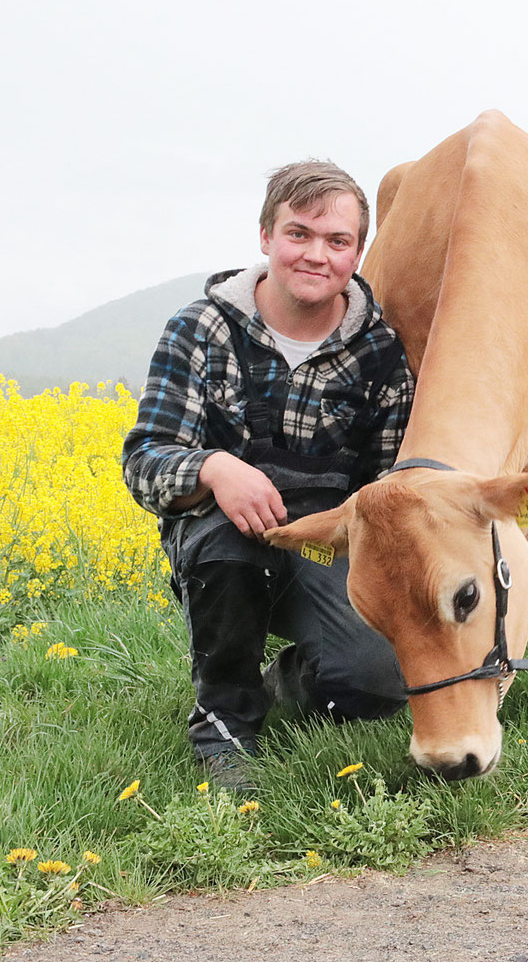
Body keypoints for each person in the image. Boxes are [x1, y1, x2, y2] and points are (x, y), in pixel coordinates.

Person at [122, 160, 414, 787]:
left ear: (358, 253)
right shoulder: (200, 328)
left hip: (326, 546)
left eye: (337, 242)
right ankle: (223, 725)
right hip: (222, 536)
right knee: (229, 547)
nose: (316, 255)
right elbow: (145, 460)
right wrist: (216, 468)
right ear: (265, 237)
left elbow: (389, 482)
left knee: (377, 687)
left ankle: (289, 678)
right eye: (298, 233)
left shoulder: (381, 352)